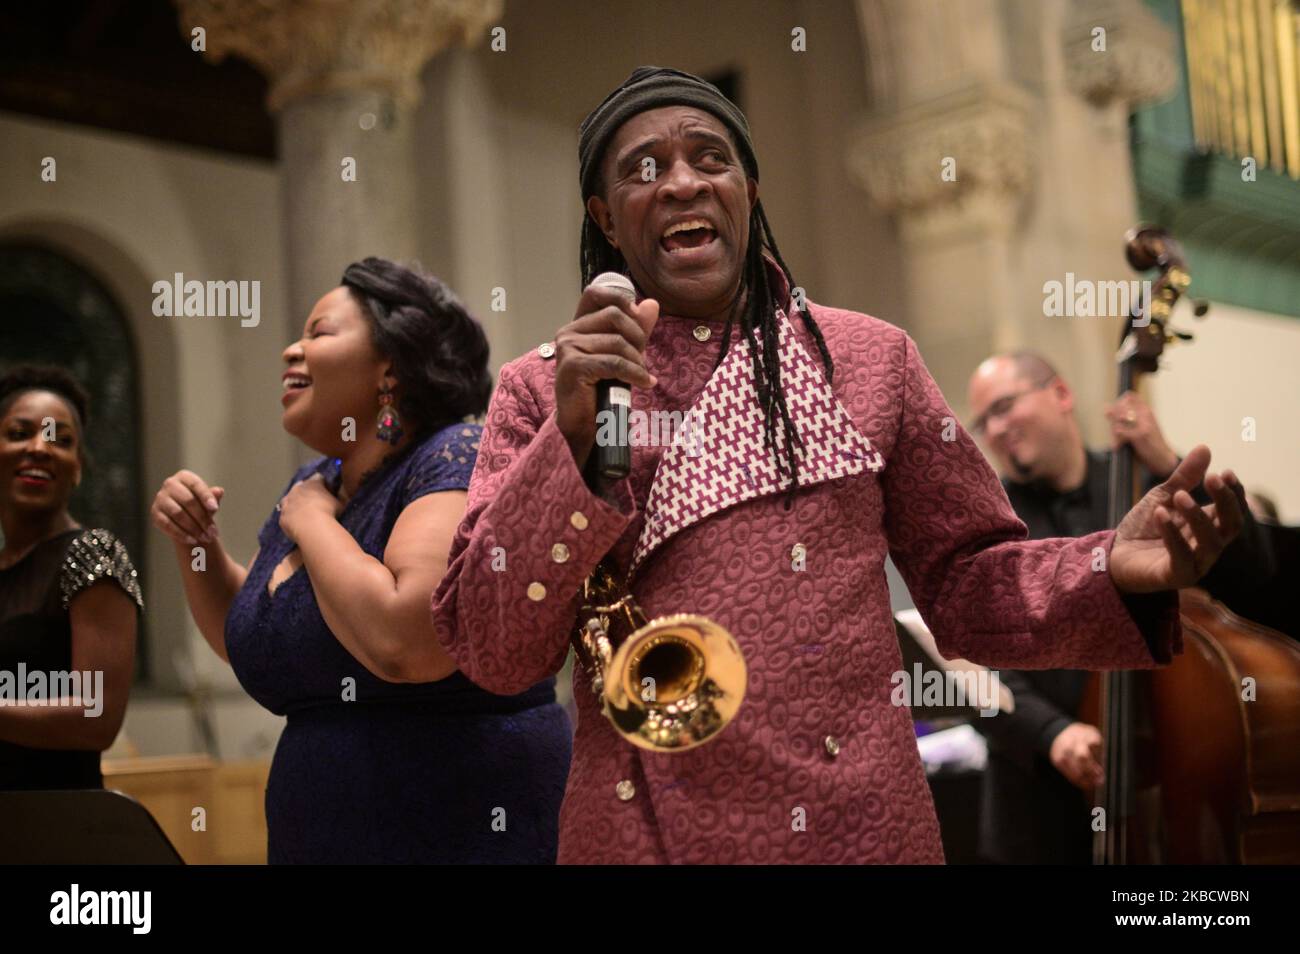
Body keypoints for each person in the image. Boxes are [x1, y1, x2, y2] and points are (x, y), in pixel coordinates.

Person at [431, 67, 1247, 864]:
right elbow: (496, 654)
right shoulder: (543, 387)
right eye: (646, 169)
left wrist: (1112, 567)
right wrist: (569, 443)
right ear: (606, 219)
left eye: (710, 158)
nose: (681, 182)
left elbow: (967, 585)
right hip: (645, 826)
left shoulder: (868, 358)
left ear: (749, 192)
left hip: (859, 821)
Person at [151, 259, 571, 863]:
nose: (291, 350)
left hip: (458, 827)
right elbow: (253, 632)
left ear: (391, 368)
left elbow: (407, 640)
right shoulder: (317, 483)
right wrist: (196, 543)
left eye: (319, 333)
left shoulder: (454, 453)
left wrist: (312, 522)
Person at [965, 350, 1275, 863]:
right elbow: (972, 660)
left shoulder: (1144, 484)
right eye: (984, 421)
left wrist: (1166, 462)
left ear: (1060, 394)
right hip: (1036, 810)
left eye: (1004, 406)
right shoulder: (989, 520)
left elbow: (1257, 576)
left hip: (1163, 793)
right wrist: (1051, 731)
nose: (995, 429)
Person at [0, 365, 142, 790]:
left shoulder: (92, 553)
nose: (40, 448)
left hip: (56, 827)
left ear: (78, 467)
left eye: (60, 439)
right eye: (18, 433)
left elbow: (96, 718)